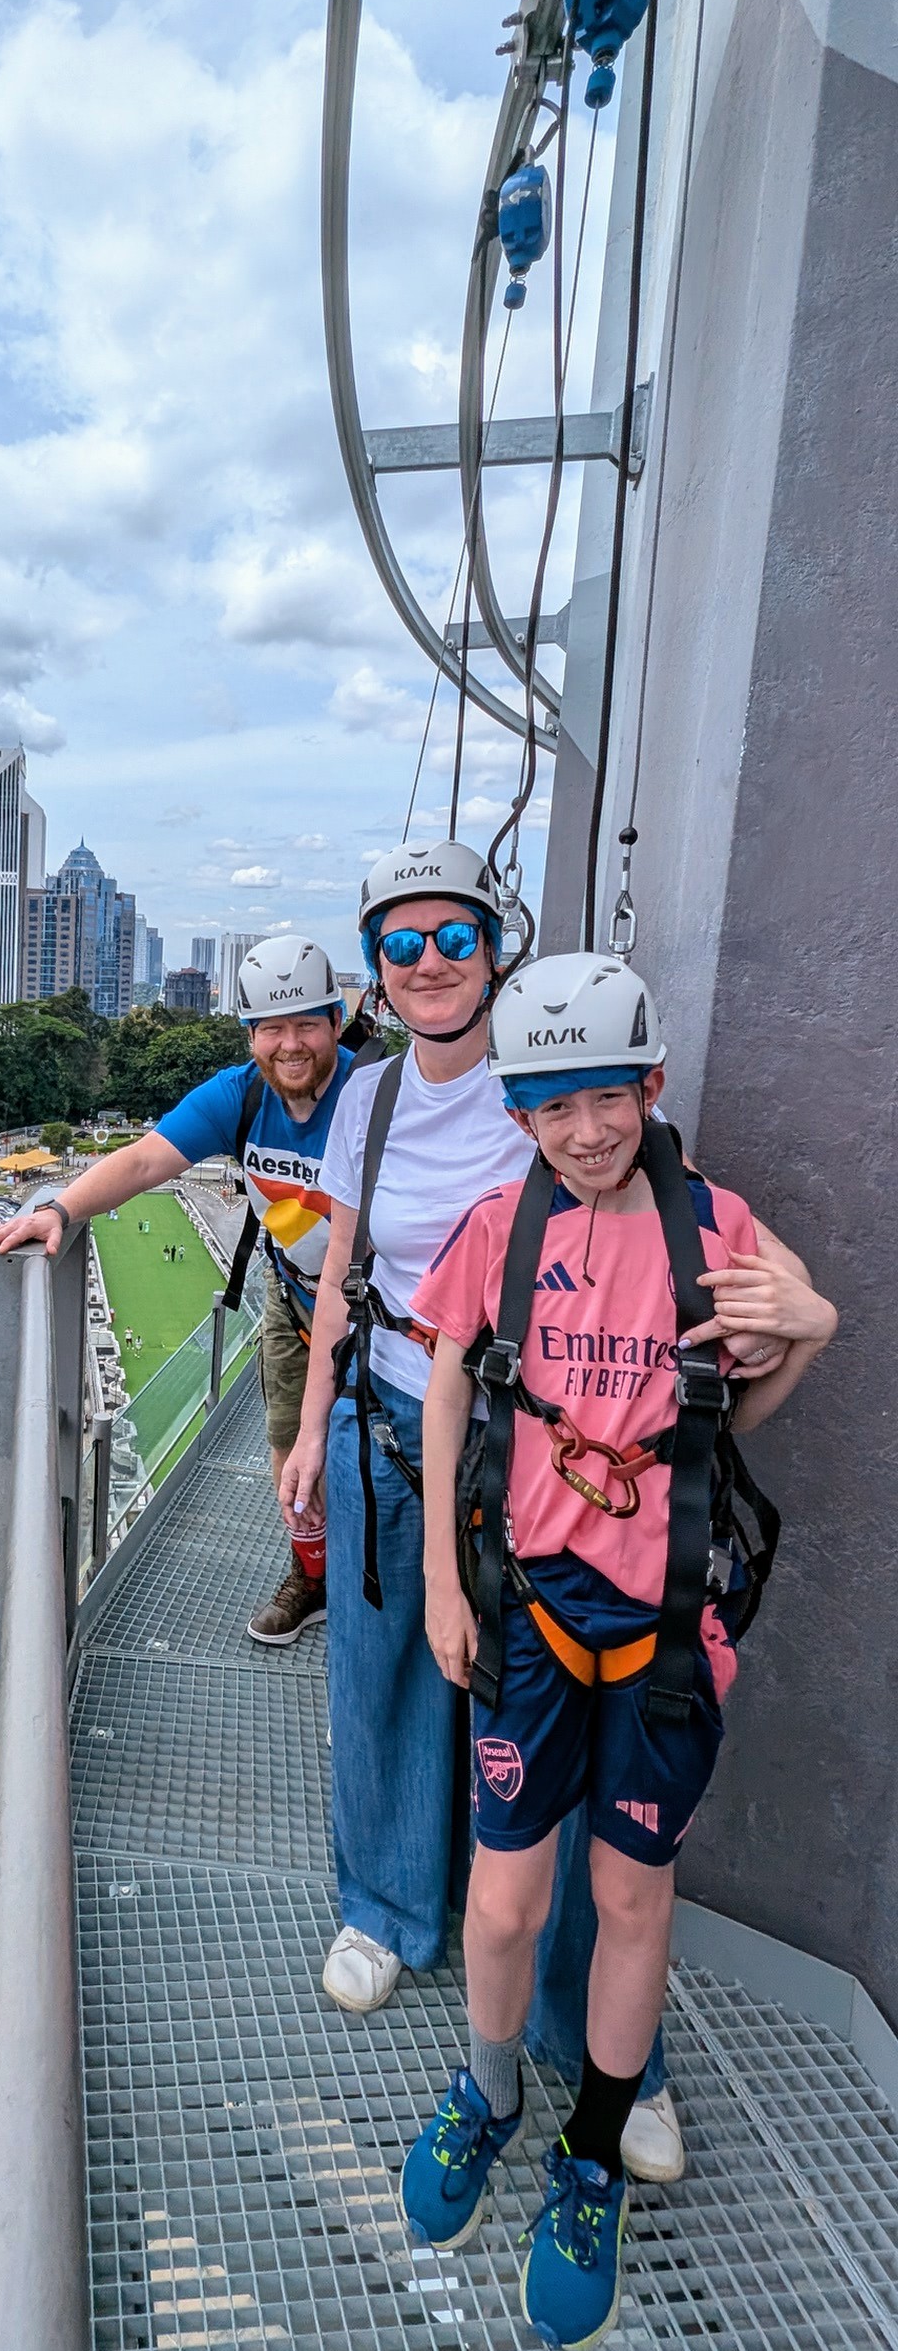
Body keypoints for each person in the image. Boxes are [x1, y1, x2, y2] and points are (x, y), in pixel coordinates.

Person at [278, 842, 808, 2173]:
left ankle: (607, 2076)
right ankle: (401, 1923)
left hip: (594, 1518)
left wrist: (809, 1322)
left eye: (451, 938)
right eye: (400, 948)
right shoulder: (377, 1099)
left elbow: (750, 1324)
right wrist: (311, 1418)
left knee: (617, 1861)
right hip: (432, 1422)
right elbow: (349, 1267)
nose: (429, 964)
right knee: (397, 1670)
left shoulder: (672, 1197)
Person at [398, 953, 834, 2349]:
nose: (584, 1132)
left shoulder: (714, 1225)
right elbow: (453, 1382)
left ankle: (589, 2155)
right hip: (530, 1610)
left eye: (607, 1099)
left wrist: (808, 1328)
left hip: (658, 1630)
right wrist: (437, 1584)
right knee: (506, 1900)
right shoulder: (501, 1227)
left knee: (631, 1900)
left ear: (650, 1090)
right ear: (521, 1113)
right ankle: (486, 2093)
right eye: (553, 1107)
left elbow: (741, 1411)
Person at [0, 935, 356, 1644]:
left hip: (375, 1314)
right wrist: (60, 1209)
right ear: (251, 1035)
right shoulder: (239, 1096)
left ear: (337, 1020)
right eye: (272, 1028)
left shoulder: (369, 1102)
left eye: (307, 1023)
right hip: (295, 1299)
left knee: (368, 1454)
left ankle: (378, 1598)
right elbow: (148, 1157)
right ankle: (313, 1572)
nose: (291, 1044)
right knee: (286, 1448)